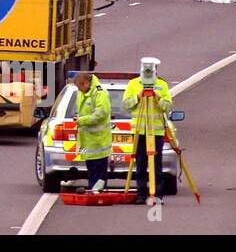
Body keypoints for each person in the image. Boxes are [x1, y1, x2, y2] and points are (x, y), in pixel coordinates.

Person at [123, 56, 173, 205]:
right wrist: (138, 97)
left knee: (156, 165)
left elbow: (168, 107)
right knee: (141, 163)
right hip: (139, 131)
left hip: (156, 132)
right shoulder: (133, 84)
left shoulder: (162, 85)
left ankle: (157, 195)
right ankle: (141, 194)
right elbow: (126, 105)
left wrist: (157, 97)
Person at [73, 70, 112, 193]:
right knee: (91, 168)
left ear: (85, 83)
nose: (79, 90)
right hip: (88, 141)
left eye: (80, 87)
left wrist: (82, 120)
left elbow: (101, 114)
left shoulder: (100, 93)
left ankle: (98, 192)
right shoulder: (83, 93)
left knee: (99, 168)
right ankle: (93, 190)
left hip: (99, 141)